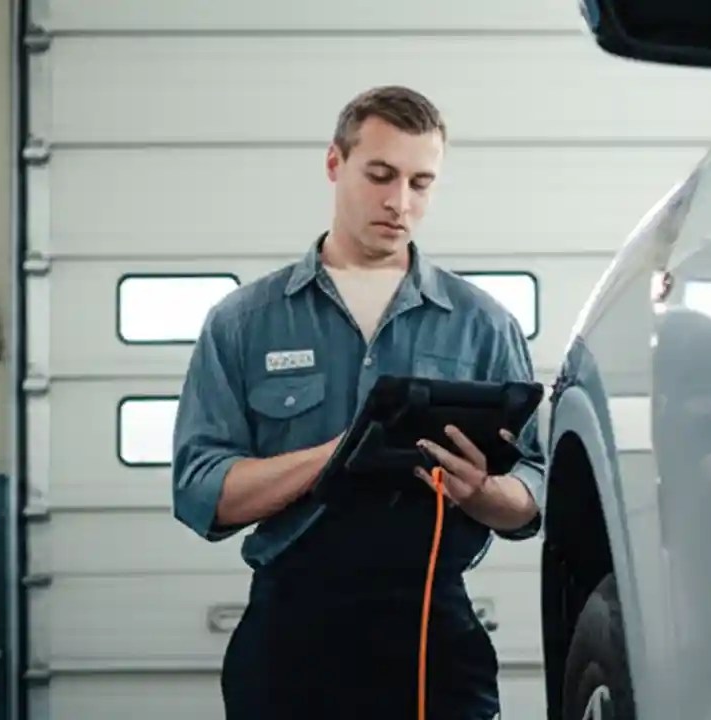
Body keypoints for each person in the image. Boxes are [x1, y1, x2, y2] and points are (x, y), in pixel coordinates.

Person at [170, 85, 546, 719]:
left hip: (432, 636)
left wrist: (483, 492)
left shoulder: (483, 325)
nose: (400, 202)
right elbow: (201, 490)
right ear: (333, 163)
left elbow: (535, 488)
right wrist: (342, 452)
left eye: (421, 183)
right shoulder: (244, 323)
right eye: (380, 175)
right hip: (291, 639)